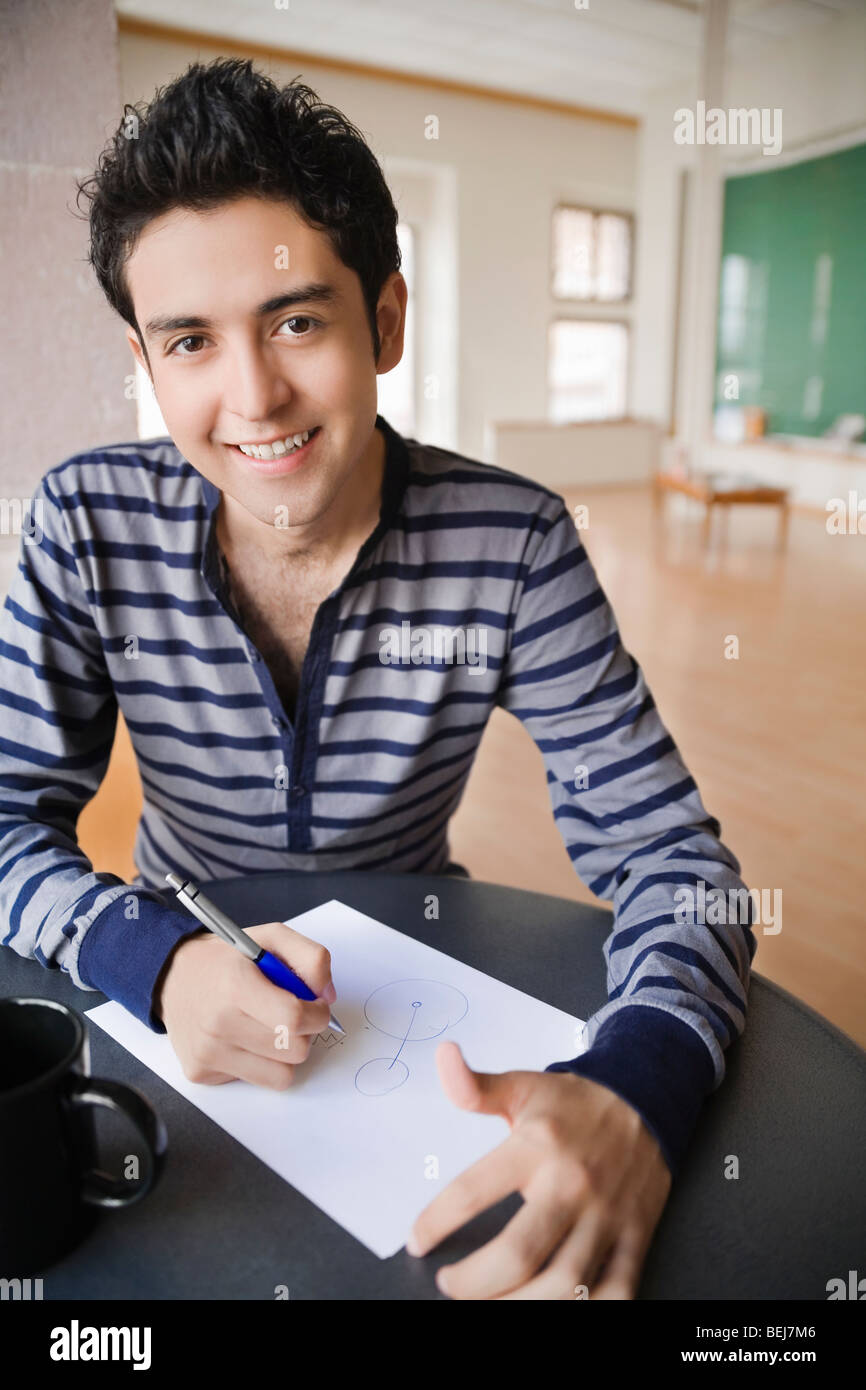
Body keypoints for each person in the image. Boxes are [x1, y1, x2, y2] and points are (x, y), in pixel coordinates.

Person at [0, 57, 756, 1299]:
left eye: (297, 319)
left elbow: (678, 867)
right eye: (190, 341)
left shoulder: (511, 541)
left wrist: (640, 1090)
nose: (253, 400)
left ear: (385, 321)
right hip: (171, 982)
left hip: (427, 973)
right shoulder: (84, 522)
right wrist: (152, 956)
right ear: (144, 355)